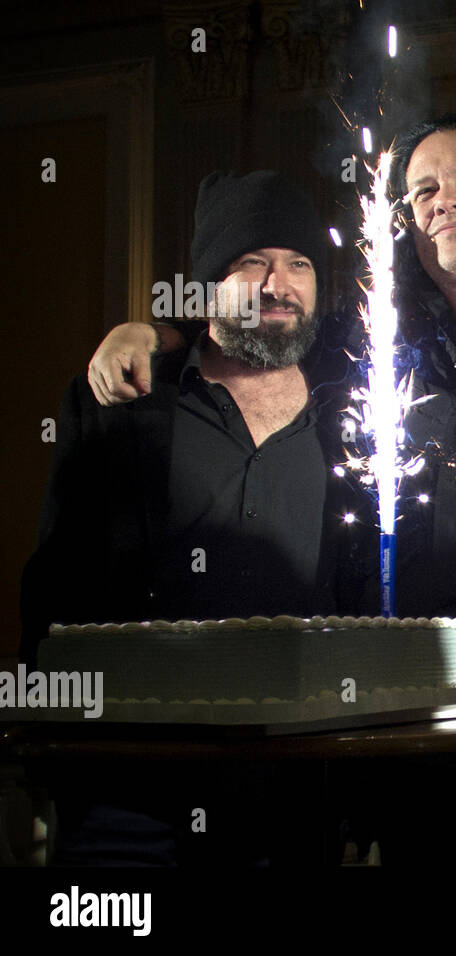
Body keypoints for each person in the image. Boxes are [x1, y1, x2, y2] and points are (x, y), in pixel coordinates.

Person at [22, 169, 368, 864]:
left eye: (298, 264)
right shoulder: (124, 400)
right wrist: (47, 757)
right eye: (252, 263)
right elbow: (55, 583)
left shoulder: (355, 413)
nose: (279, 285)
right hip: (129, 796)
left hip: (297, 798)